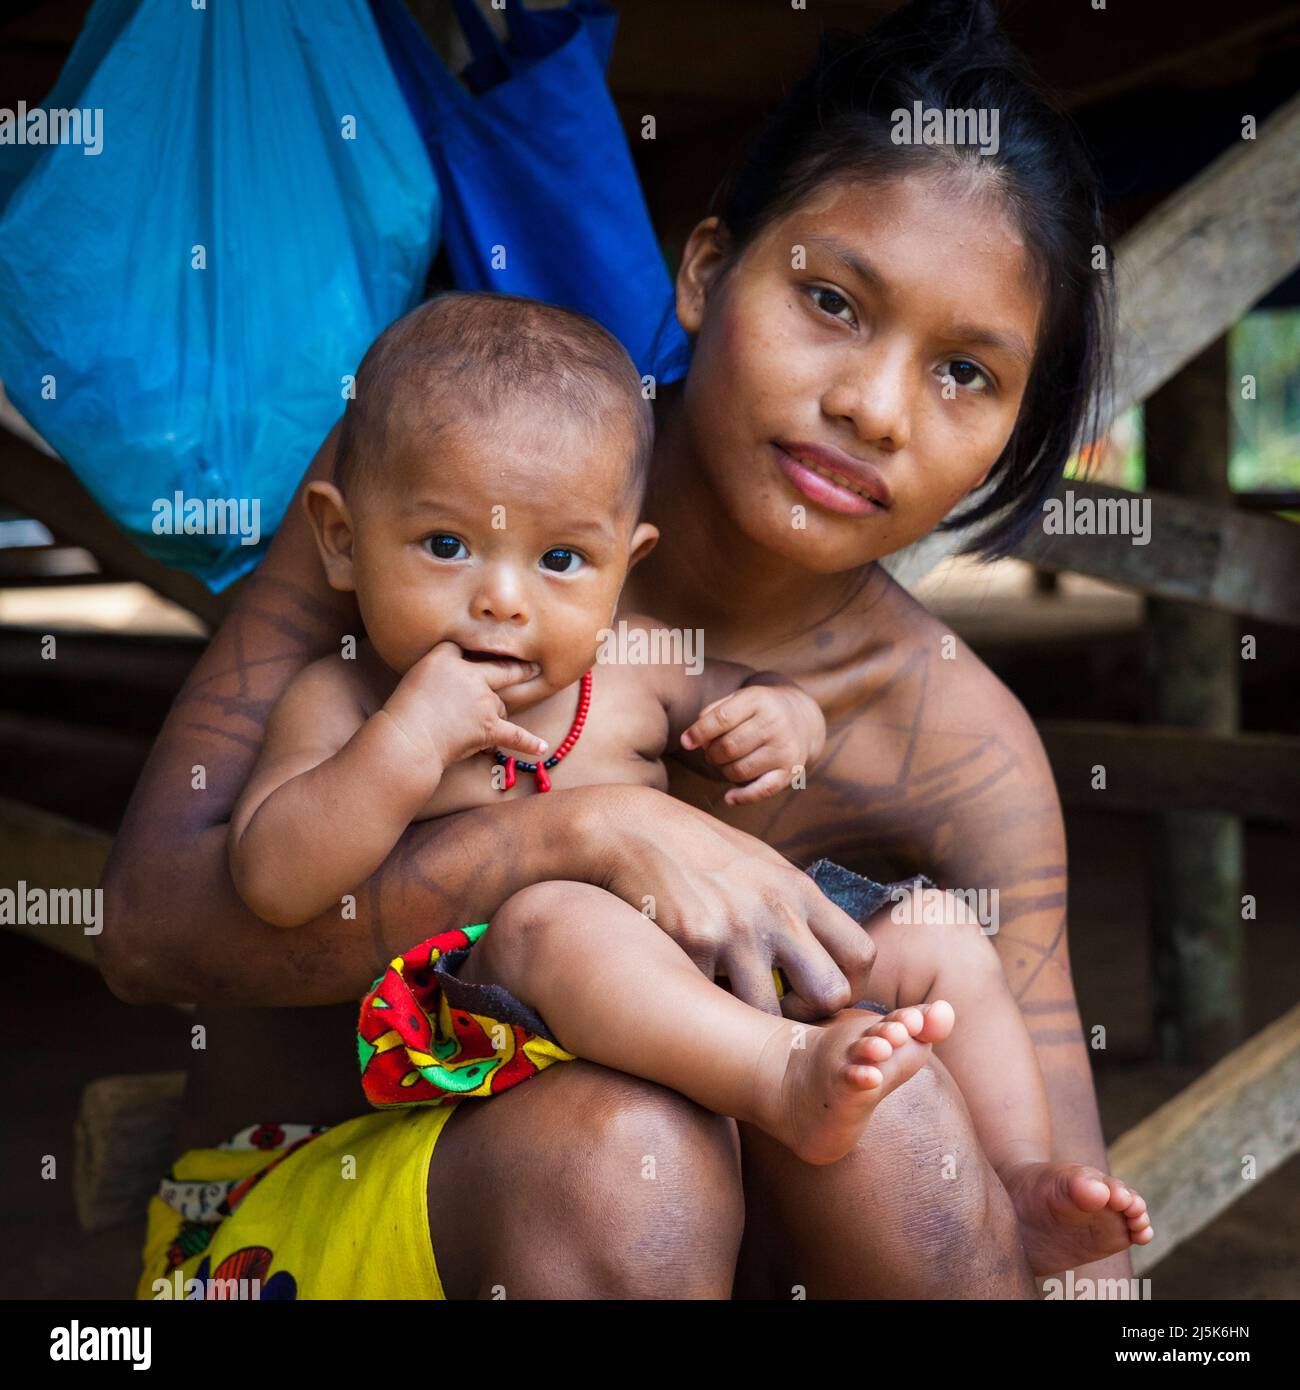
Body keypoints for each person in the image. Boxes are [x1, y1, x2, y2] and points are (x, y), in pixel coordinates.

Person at [102, 0, 1136, 1299]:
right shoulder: (459, 477)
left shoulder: (958, 739)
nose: (872, 405)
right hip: (296, 1221)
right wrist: (569, 836)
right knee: (626, 1151)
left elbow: (1067, 1221)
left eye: (967, 374)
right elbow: (149, 930)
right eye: (828, 299)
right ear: (705, 272)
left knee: (906, 1113)